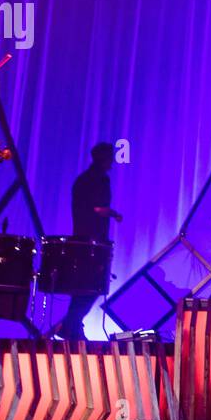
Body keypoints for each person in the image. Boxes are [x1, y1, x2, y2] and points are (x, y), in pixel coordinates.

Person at [59, 143, 121, 341]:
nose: (112, 160)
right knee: (91, 285)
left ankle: (72, 325)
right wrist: (114, 214)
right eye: (110, 156)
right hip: (90, 240)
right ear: (103, 157)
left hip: (87, 238)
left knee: (88, 286)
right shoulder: (97, 179)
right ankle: (72, 324)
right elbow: (96, 208)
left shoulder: (87, 179)